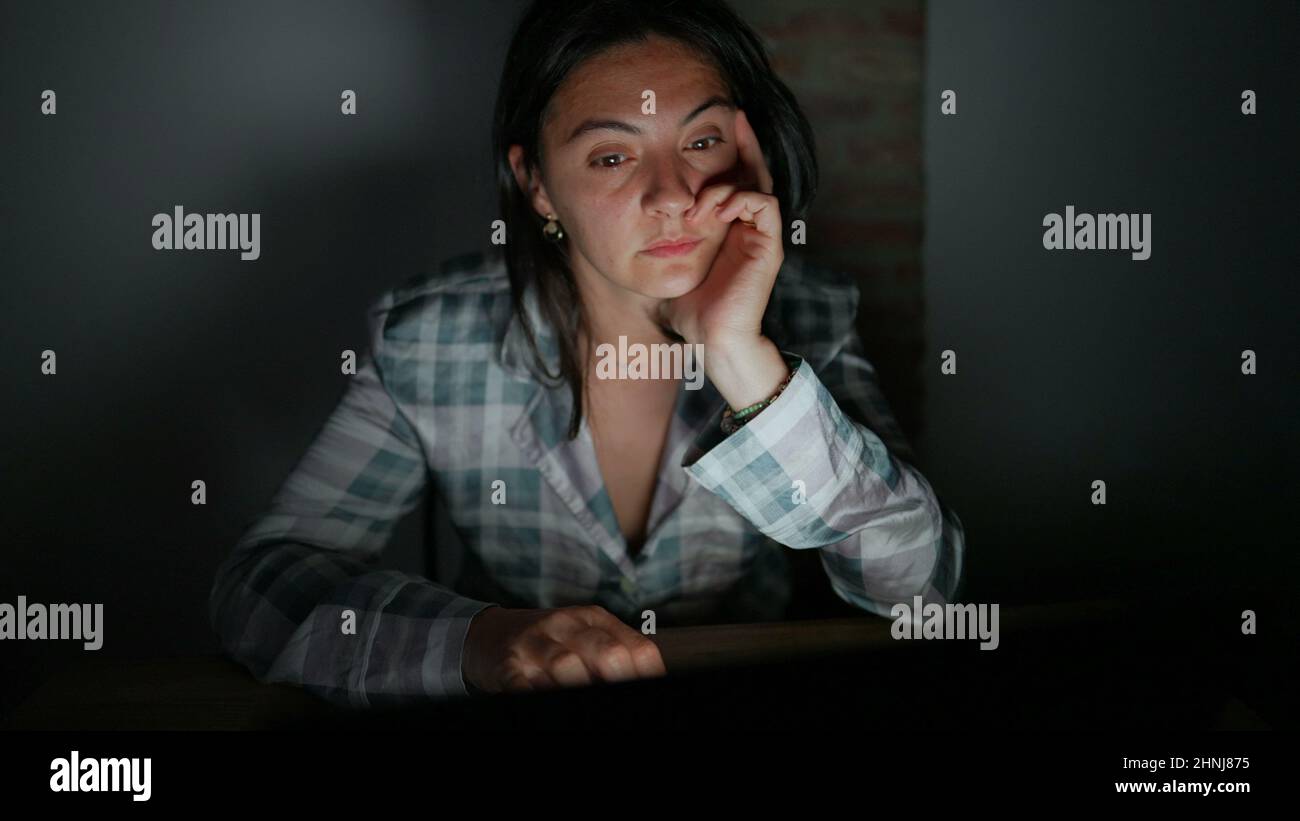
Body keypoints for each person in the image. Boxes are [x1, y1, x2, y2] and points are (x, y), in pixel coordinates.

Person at [208, 0, 965, 707]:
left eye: (702, 141)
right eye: (611, 157)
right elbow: (260, 585)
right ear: (537, 185)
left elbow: (922, 592)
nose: (672, 195)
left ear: (746, 150)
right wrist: (481, 641)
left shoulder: (812, 315)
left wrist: (741, 357)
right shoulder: (434, 339)